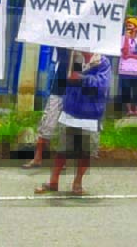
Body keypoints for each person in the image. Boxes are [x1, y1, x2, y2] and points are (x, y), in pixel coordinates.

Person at [35, 51, 111, 195]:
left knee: (86, 153)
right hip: (70, 112)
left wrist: (82, 78)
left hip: (90, 114)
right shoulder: (74, 58)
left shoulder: (102, 62)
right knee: (62, 151)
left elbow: (102, 86)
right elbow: (68, 80)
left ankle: (77, 183)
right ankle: (53, 182)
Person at [22, 47, 72, 168]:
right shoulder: (64, 46)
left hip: (75, 93)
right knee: (47, 123)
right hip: (59, 90)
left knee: (67, 128)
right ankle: (37, 158)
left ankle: (62, 161)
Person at [117, 16, 137, 117]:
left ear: (136, 28)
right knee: (126, 90)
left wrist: (131, 56)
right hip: (124, 70)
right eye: (127, 25)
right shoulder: (122, 38)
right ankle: (129, 110)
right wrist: (126, 38)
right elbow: (124, 52)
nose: (128, 27)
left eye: (130, 25)